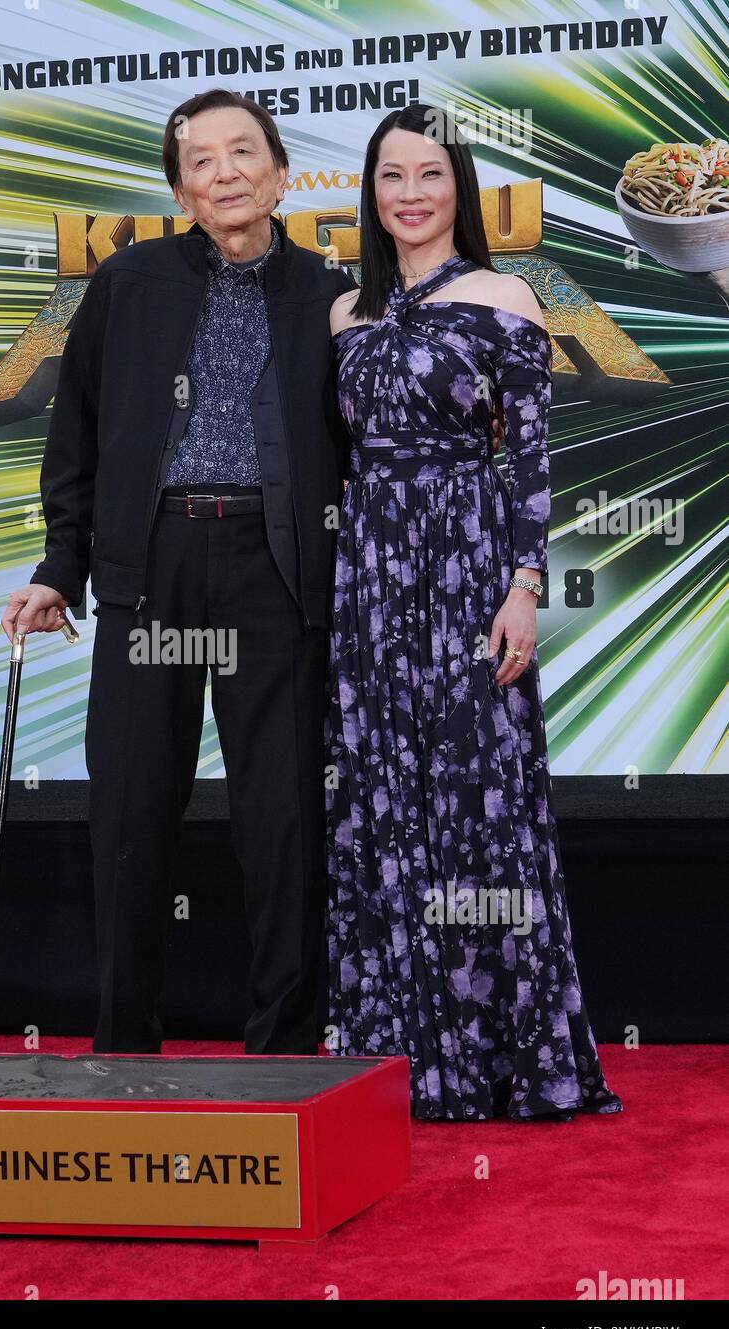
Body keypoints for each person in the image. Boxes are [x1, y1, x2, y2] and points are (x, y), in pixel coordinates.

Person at [3, 89, 356, 1055]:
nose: (225, 173)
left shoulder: (331, 294)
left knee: (282, 813)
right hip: (150, 564)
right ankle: (122, 1040)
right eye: (200, 160)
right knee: (130, 804)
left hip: (275, 569)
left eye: (244, 153)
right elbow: (75, 434)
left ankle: (286, 1048)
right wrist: (60, 567)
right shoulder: (129, 282)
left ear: (281, 174)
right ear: (179, 191)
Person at [326, 104, 623, 1121]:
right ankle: (398, 1054)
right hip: (368, 577)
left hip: (467, 566)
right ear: (370, 192)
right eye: (391, 175)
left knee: (476, 799)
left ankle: (501, 1054)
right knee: (380, 799)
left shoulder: (506, 296)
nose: (409, 194)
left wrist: (522, 588)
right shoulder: (342, 314)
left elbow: (530, 461)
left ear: (460, 186)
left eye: (430, 174)